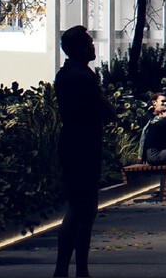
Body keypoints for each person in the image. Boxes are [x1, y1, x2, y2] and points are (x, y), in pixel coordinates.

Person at [55, 25, 116, 277]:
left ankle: (79, 269)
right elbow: (106, 111)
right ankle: (68, 270)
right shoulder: (81, 77)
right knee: (81, 207)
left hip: (75, 144)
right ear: (81, 48)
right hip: (82, 147)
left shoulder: (67, 74)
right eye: (90, 43)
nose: (93, 46)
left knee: (84, 207)